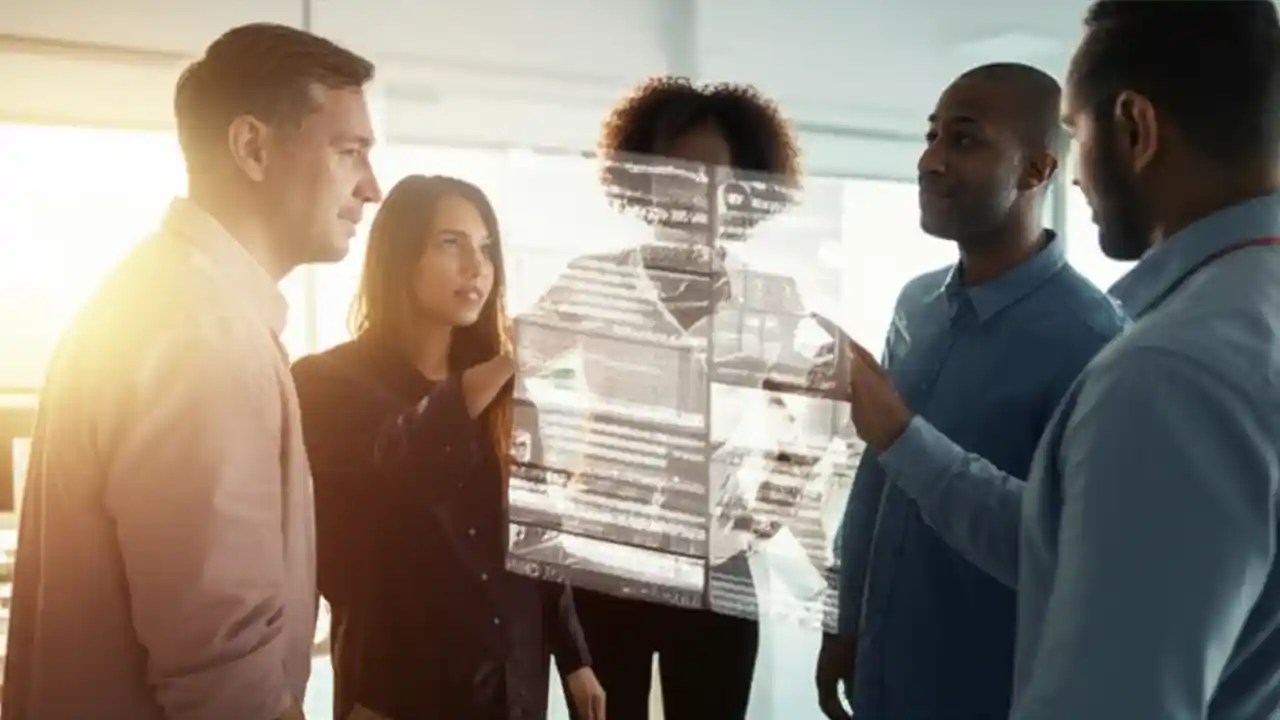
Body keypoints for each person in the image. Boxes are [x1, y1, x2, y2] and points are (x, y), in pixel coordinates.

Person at [823, 1, 1280, 717]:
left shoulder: (1163, 366)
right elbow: (1063, 551)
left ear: (1135, 127)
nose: (1076, 173)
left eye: (1077, 131)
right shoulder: (1244, 318)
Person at [0, 23, 381, 720]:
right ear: (252, 147)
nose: (372, 189)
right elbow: (222, 678)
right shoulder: (204, 336)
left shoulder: (171, 298)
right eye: (349, 151)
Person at [812, 63, 1127, 720]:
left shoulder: (1096, 343)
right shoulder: (915, 304)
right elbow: (880, 468)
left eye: (963, 140)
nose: (929, 160)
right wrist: (842, 618)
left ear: (1038, 171)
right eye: (930, 137)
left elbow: (1073, 558)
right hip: (882, 677)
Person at [519, 76, 803, 720]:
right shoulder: (594, 282)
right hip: (605, 557)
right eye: (675, 173)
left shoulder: (771, 299)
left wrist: (771, 504)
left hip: (716, 566)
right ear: (643, 182)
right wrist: (542, 480)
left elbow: (805, 423)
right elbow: (508, 374)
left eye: (714, 177)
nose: (694, 192)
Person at [292, 175, 606, 720]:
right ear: (400, 254)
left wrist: (575, 660)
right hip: (395, 687)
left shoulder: (507, 393)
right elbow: (395, 469)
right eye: (450, 243)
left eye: (485, 249)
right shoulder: (326, 380)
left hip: (512, 683)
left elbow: (536, 533)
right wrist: (507, 362)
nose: (476, 267)